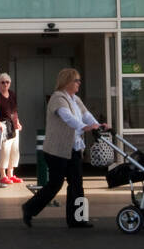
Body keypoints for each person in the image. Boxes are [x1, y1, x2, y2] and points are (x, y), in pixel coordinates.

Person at [21, 69, 105, 229]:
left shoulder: (76, 99)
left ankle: (78, 219)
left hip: (73, 148)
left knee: (77, 184)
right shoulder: (57, 98)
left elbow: (86, 115)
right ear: (67, 82)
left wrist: (98, 125)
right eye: (76, 80)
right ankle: (29, 208)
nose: (79, 83)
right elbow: (67, 117)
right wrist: (86, 127)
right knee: (55, 184)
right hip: (56, 150)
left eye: (79, 80)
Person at [0, 71, 23, 184]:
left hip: (13, 124)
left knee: (15, 149)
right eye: (2, 82)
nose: (5, 84)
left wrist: (18, 122)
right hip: (3, 124)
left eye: (7, 82)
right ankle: (2, 175)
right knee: (5, 150)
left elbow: (14, 110)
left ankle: (11, 174)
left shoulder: (12, 94)